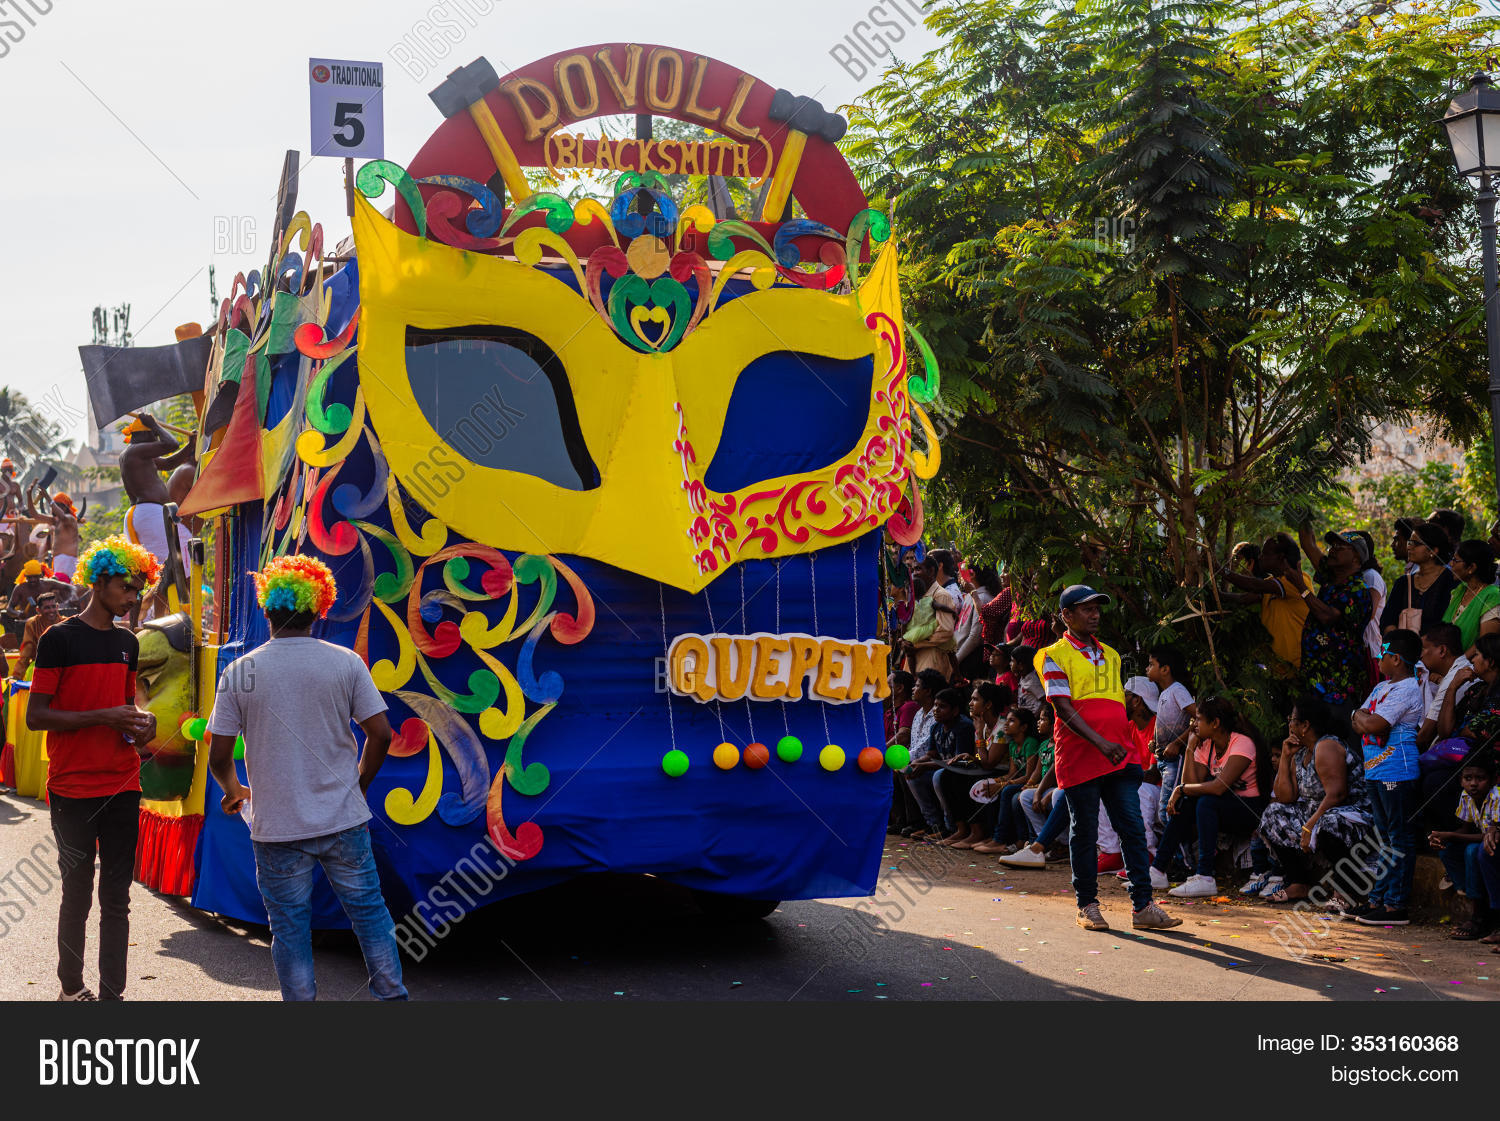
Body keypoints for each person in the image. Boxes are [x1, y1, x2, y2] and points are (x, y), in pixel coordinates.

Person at [207, 554, 406, 1001]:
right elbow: (381, 734)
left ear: (266, 607)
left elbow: (219, 754)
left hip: (275, 825)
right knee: (370, 915)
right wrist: (359, 786)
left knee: (290, 929)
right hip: (343, 820)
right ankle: (392, 996)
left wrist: (235, 789)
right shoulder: (345, 662)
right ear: (320, 607)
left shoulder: (241, 672)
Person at [26, 537, 160, 1000]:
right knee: (77, 894)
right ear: (99, 580)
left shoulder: (128, 642)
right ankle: (70, 989)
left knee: (117, 900)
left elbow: (125, 707)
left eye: (138, 591)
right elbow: (35, 716)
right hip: (72, 788)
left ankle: (111, 996)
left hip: (123, 783)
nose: (132, 598)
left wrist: (142, 724)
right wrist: (104, 716)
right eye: (126, 587)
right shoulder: (57, 639)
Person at [1036, 585, 1181, 931]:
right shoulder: (1052, 654)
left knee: (1131, 828)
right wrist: (1101, 742)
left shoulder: (1113, 655)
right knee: (1084, 832)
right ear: (1067, 616)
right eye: (1086, 609)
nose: (1095, 614)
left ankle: (1143, 907)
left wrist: (1119, 745)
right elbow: (1063, 707)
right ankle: (1087, 904)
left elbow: (1115, 707)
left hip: (1118, 755)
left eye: (1097, 608)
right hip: (1080, 754)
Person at [1260, 693, 1373, 906]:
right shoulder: (1300, 751)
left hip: (1352, 812)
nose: (1289, 725)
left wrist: (1309, 826)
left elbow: (1337, 794)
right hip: (1318, 813)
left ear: (1305, 725)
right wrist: (1285, 757)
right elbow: (1285, 797)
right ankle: (1298, 882)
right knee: (1272, 814)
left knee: (1329, 823)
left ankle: (1344, 893)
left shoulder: (1327, 745)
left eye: (1292, 721)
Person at [1150, 695, 1268, 897]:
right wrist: (1189, 749)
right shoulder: (1206, 744)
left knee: (1206, 801)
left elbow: (1218, 788)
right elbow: (1190, 783)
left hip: (1250, 810)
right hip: (1224, 808)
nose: (1193, 725)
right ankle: (1157, 870)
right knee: (1187, 803)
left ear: (1215, 723)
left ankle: (1205, 876)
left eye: (1198, 719)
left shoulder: (1242, 743)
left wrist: (1181, 789)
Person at [1348, 628, 1425, 925]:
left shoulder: (1407, 689)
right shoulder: (1381, 687)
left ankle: (1396, 906)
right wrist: (1362, 718)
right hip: (1375, 769)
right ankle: (1377, 900)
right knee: (1384, 837)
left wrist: (1363, 719)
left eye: (1384, 654)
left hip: (1397, 771)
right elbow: (1359, 720)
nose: (1378, 659)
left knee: (1399, 837)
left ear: (1397, 659)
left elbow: (1375, 723)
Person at [1295, 528, 1375, 709]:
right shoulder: (1331, 577)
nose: (1333, 549)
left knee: (1335, 733)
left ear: (1356, 557)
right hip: (1314, 677)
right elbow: (1309, 544)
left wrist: (1301, 586)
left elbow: (1326, 616)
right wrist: (1301, 510)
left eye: (1341, 546)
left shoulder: (1357, 589)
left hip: (1338, 684)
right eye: (1333, 545)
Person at [1429, 755, 1499, 940]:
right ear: (1461, 780)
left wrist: (1452, 835)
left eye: (1480, 778)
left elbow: (1493, 836)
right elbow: (1466, 829)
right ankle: (1473, 900)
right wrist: (1442, 837)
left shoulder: (1497, 795)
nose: (1473, 784)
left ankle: (1480, 916)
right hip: (1483, 844)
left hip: (1492, 846)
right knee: (1448, 848)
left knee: (1472, 850)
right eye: (1468, 779)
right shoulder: (1466, 796)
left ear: (1493, 780)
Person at [1097, 676, 1162, 873]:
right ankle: (1112, 853)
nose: (1119, 700)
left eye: (1124, 695)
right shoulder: (1130, 727)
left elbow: (1152, 775)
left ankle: (1146, 855)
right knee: (1103, 787)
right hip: (1138, 785)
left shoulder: (1158, 725)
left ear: (1136, 700)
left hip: (1157, 791)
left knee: (1137, 790)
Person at [1221, 533, 1309, 669]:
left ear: (1281, 557)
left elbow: (1254, 585)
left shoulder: (1297, 581)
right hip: (1276, 666)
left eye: (1265, 553)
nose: (1260, 557)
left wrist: (1220, 570)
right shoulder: (1271, 584)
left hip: (1295, 666)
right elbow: (1244, 598)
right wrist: (1216, 595)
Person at [119, 413, 195, 569]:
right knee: (182, 557)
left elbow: (168, 463)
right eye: (154, 435)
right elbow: (171, 444)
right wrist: (154, 424)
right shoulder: (135, 451)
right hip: (150, 514)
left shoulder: (138, 454)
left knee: (178, 558)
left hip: (146, 514)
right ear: (146, 434)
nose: (156, 439)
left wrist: (190, 446)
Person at [900, 670, 956, 838]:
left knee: (910, 772)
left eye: (917, 686)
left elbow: (926, 747)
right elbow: (915, 743)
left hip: (934, 762)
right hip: (921, 760)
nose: (913, 689)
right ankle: (916, 821)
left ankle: (936, 824)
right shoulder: (918, 713)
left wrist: (907, 760)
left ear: (928, 691)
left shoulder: (937, 716)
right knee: (902, 770)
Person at [1146, 643, 1196, 830]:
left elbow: (1198, 719)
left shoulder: (1178, 690)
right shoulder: (1165, 693)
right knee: (1165, 813)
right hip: (1165, 761)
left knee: (1168, 812)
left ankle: (1183, 859)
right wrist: (1155, 742)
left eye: (1151, 664)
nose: (1147, 668)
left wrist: (1177, 743)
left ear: (1165, 669)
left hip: (1176, 760)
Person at [1380, 521, 1457, 638]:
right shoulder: (1402, 583)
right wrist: (1401, 645)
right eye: (1409, 542)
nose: (1409, 547)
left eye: (1415, 543)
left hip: (1437, 651)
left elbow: (1451, 623)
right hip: (1403, 652)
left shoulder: (1451, 581)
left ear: (1433, 550)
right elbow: (1387, 621)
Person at [1444, 539, 1500, 656]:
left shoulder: (1492, 597)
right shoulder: (1459, 591)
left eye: (1455, 560)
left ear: (1471, 568)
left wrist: (1455, 666)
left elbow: (1484, 643)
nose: (1451, 564)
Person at [905, 555, 958, 678]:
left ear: (931, 571)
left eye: (918, 569)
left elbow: (945, 630)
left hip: (933, 660)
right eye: (912, 570)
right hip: (914, 659)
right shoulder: (917, 596)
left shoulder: (941, 595)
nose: (914, 574)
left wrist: (915, 645)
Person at [954, 562, 1001, 680]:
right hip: (961, 656)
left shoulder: (983, 598)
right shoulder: (971, 595)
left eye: (960, 572)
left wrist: (955, 661)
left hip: (969, 659)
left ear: (972, 574)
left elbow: (975, 637)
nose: (958, 575)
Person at [11, 589, 62, 679]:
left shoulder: (66, 622)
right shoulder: (32, 623)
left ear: (57, 607)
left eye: (53, 606)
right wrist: (17, 675)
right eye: (47, 608)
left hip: (63, 666)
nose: (51, 610)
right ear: (38, 610)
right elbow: (27, 650)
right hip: (40, 665)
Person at [33, 492, 82, 580]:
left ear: (65, 507)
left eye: (58, 505)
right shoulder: (55, 521)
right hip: (57, 560)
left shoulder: (70, 519)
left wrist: (47, 496)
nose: (54, 508)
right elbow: (35, 515)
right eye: (56, 505)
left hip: (67, 561)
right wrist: (29, 494)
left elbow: (62, 516)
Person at [1011, 644, 1044, 714]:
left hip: (1031, 718)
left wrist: (1035, 717)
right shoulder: (1023, 676)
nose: (1010, 663)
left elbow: (1045, 701)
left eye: (1012, 661)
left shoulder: (1032, 682)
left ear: (1021, 666)